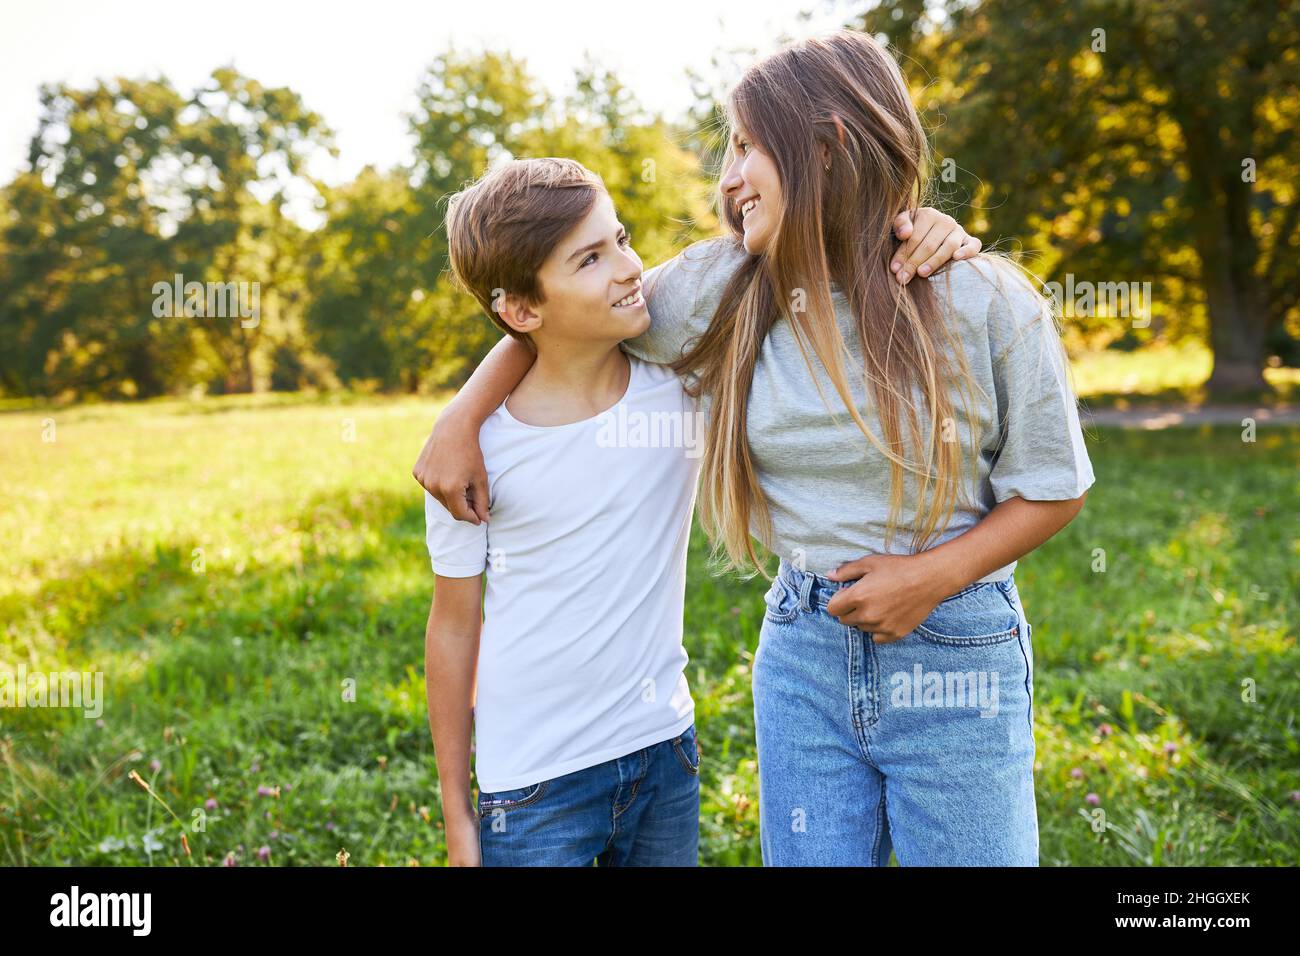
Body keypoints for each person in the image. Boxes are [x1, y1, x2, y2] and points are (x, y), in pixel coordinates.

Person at [421, 151, 976, 866]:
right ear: (523, 308)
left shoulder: (681, 381)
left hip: (663, 756)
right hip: (531, 785)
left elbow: (811, 259)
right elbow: (454, 628)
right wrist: (456, 811)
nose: (627, 266)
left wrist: (920, 230)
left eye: (620, 238)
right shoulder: (471, 461)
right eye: (589, 258)